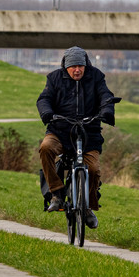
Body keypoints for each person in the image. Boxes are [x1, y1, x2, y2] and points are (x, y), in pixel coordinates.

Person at [36, 46, 115, 229]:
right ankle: (56, 194)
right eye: (73, 67)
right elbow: (44, 99)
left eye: (80, 66)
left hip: (89, 133)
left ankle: (87, 208)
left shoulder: (96, 77)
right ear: (66, 67)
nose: (77, 70)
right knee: (46, 148)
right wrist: (47, 112)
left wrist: (107, 111)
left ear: (86, 65)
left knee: (93, 170)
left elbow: (105, 96)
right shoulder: (54, 78)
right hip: (60, 131)